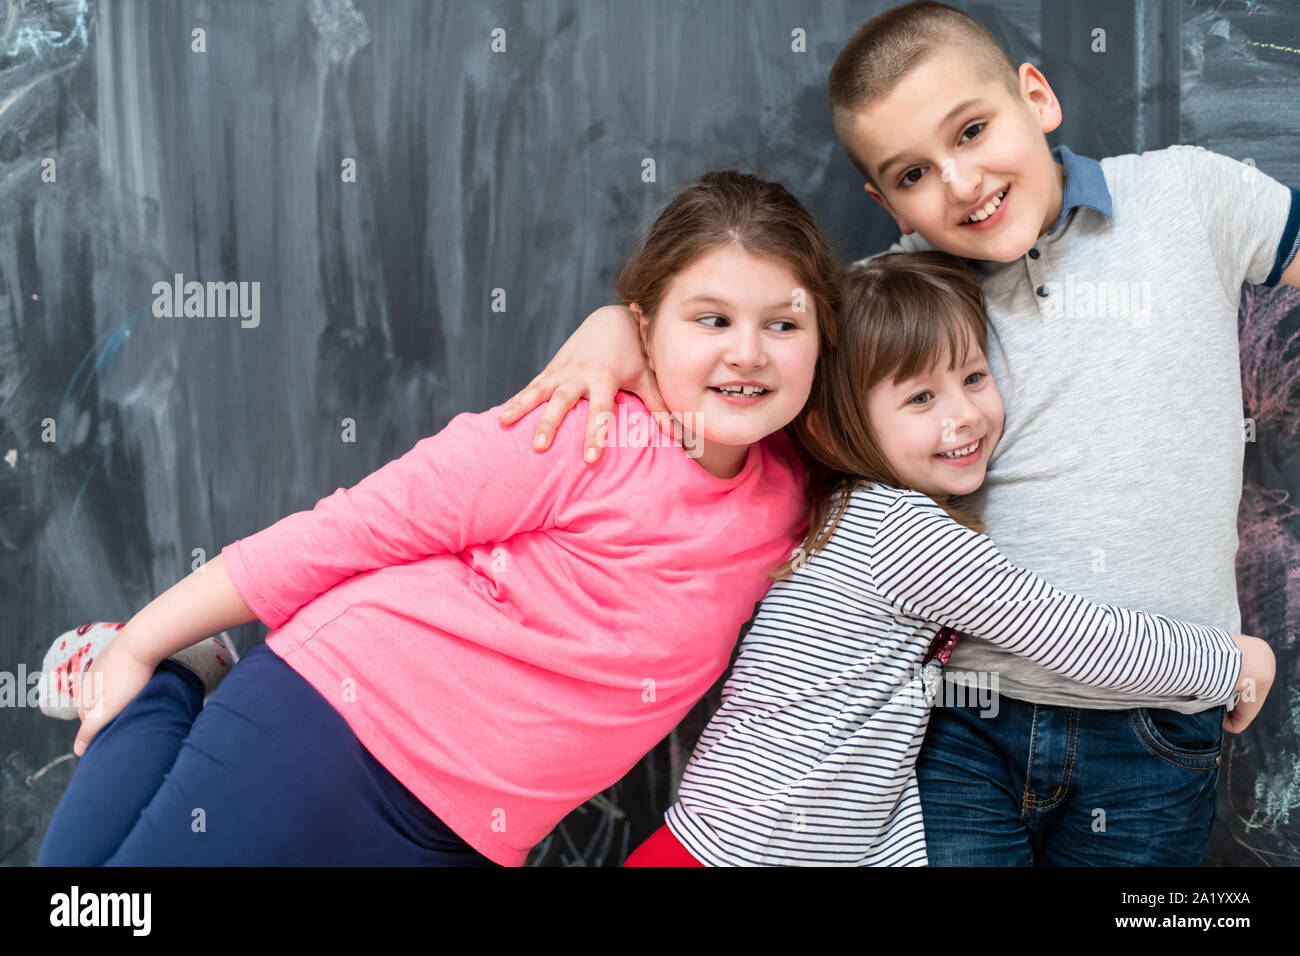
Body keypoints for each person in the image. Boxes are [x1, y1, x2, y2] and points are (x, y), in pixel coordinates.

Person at [495, 1, 1298, 865]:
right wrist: (619, 330)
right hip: (964, 722)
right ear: (887, 204)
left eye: (974, 131)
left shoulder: (1188, 194)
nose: (961, 183)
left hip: (1158, 722)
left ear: (1036, 97)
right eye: (913, 173)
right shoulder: (876, 307)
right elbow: (735, 354)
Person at [35, 169, 837, 867]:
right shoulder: (573, 431)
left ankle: (173, 674)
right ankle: (167, 670)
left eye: (783, 323)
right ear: (646, 326)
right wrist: (141, 642)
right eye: (710, 319)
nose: (747, 352)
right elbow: (344, 532)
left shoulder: (799, 492)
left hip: (476, 839)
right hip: (334, 728)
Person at [619, 251, 1273, 866]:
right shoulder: (901, 531)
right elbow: (1072, 635)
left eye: (974, 377)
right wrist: (1229, 663)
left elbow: (872, 745)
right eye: (920, 399)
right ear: (833, 429)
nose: (964, 415)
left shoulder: (847, 510)